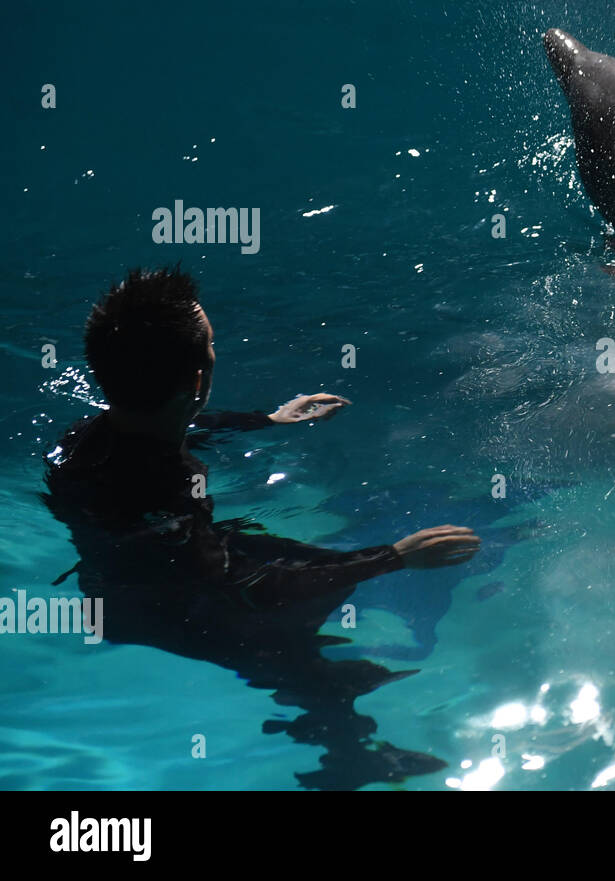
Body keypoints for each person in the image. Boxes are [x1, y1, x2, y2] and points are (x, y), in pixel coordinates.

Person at [42, 264, 480, 788]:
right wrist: (394, 557)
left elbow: (174, 422)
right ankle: (350, 760)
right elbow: (254, 592)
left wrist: (267, 421)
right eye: (210, 345)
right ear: (199, 379)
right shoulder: (170, 488)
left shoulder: (84, 438)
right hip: (170, 608)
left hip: (127, 582)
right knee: (302, 660)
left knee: (313, 571)